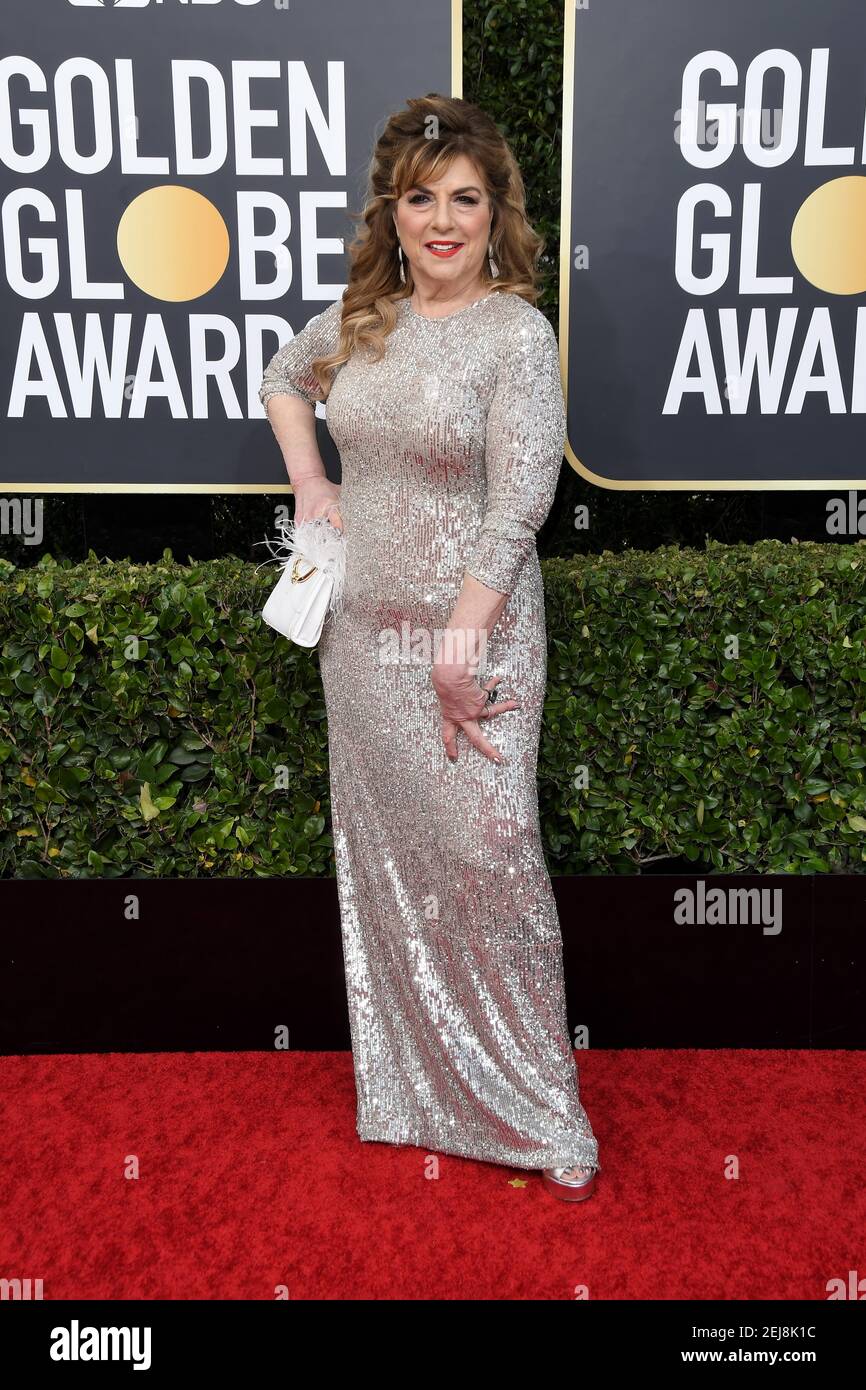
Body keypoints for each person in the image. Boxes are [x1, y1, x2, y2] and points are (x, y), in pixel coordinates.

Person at [259, 94, 600, 1202]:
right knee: (395, 858)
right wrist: (313, 482)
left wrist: (458, 642)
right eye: (421, 198)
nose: (441, 221)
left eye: (464, 199)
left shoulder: (514, 331)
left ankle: (544, 1111)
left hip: (477, 627)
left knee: (491, 855)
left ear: (494, 212)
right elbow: (278, 372)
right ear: (392, 211)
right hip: (361, 635)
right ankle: (413, 1090)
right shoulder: (362, 318)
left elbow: (517, 504)